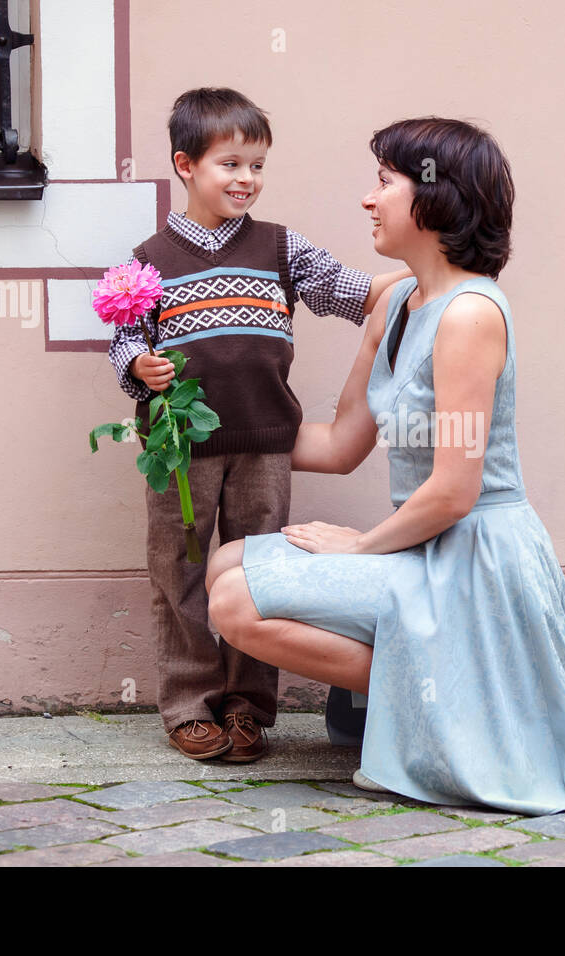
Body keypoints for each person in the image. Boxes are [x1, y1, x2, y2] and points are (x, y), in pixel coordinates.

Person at [206, 116, 565, 815]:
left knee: (236, 603)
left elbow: (455, 491)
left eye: (384, 182)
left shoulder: (470, 315)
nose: (369, 200)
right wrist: (205, 427)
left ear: (436, 197)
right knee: (226, 563)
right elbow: (338, 445)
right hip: (421, 548)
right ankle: (454, 696)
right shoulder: (398, 301)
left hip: (476, 562)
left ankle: (470, 703)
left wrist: (360, 548)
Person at [106, 87, 410, 764]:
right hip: (180, 447)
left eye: (258, 166)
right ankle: (189, 706)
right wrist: (143, 368)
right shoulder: (147, 259)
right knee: (181, 572)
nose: (247, 179)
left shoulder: (281, 247)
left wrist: (431, 271)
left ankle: (249, 707)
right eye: (231, 164)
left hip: (266, 447)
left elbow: (351, 291)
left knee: (263, 573)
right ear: (186, 165)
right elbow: (125, 343)